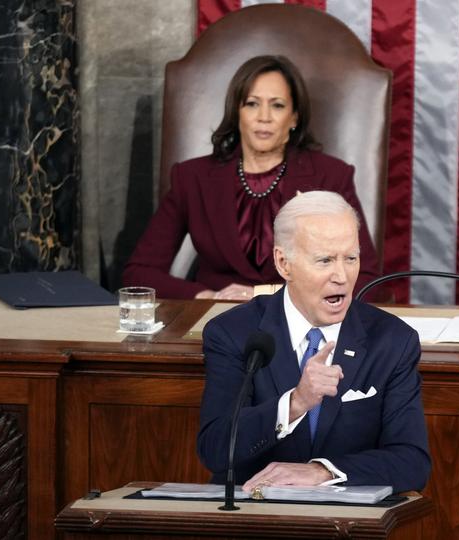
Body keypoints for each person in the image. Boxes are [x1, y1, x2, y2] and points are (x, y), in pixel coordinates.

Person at [196, 190, 430, 493]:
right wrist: (295, 403)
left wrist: (323, 472)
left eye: (351, 258)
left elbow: (412, 462)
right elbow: (215, 449)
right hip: (255, 517)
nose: (342, 276)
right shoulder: (234, 333)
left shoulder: (392, 341)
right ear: (284, 263)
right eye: (325, 260)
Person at [123, 55, 380, 300]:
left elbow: (366, 277)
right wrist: (207, 297)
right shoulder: (192, 178)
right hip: (219, 319)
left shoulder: (330, 177)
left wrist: (265, 295)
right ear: (238, 113)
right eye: (252, 103)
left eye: (277, 105)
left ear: (294, 117)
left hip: (301, 318)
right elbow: (139, 272)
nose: (264, 117)